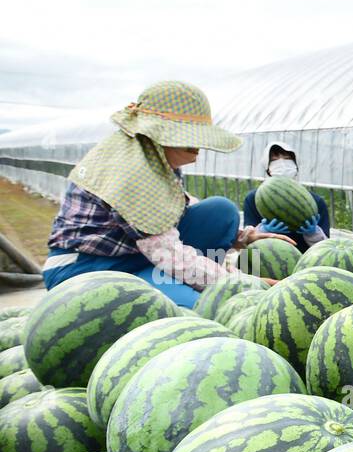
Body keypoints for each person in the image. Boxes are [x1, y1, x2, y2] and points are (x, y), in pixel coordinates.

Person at [43, 81, 293, 307]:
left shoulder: (154, 158)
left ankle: (197, 278)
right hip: (83, 269)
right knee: (198, 309)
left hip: (135, 255)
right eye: (189, 138)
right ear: (159, 135)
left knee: (221, 211)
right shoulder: (132, 173)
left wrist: (243, 237)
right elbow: (169, 255)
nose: (198, 147)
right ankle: (190, 288)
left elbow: (176, 208)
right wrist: (240, 284)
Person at [242, 142, 330, 253]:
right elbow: (245, 244)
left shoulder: (316, 201)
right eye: (275, 160)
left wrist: (314, 234)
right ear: (268, 169)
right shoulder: (253, 199)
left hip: (304, 261)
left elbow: (326, 249)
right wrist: (262, 232)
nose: (282, 163)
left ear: (296, 166)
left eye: (287, 158)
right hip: (265, 259)